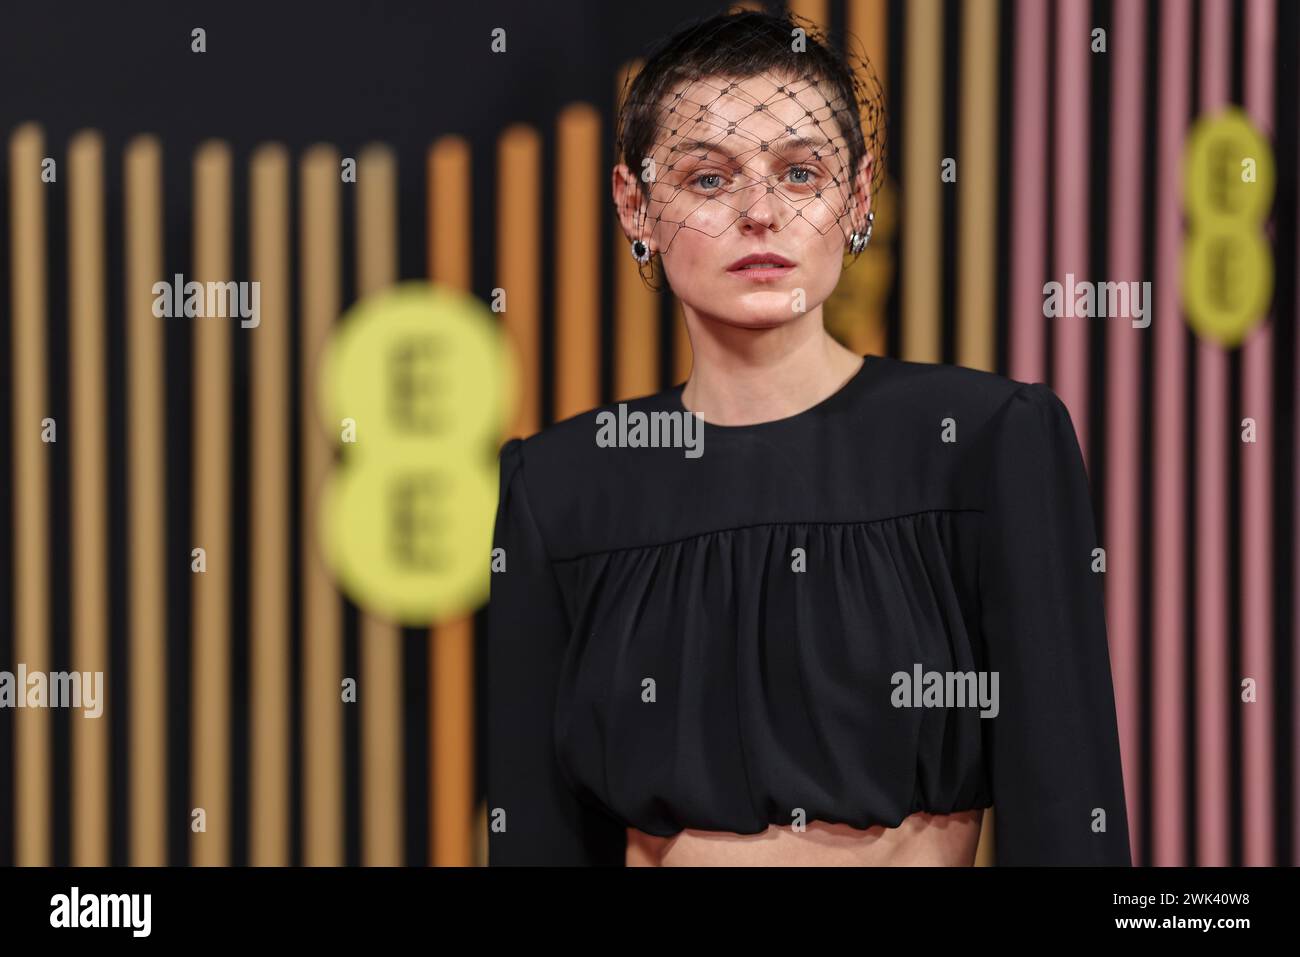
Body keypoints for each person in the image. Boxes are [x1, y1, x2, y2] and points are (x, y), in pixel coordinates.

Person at [486, 9, 1131, 866]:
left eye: (799, 173)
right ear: (634, 203)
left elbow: (1068, 816)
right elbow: (535, 832)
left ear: (857, 198)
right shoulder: (560, 487)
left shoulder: (985, 445)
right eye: (708, 180)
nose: (760, 213)